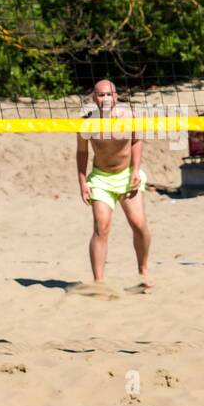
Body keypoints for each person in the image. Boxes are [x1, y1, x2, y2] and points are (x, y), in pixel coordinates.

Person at [75, 80, 152, 287]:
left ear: (116, 97)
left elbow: (136, 141)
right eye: (101, 95)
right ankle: (99, 283)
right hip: (100, 178)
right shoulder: (86, 123)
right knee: (102, 227)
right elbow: (82, 153)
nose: (105, 99)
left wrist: (135, 169)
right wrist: (82, 183)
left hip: (127, 175)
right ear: (94, 98)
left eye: (109, 95)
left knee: (139, 224)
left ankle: (143, 270)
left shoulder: (129, 117)